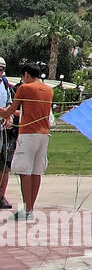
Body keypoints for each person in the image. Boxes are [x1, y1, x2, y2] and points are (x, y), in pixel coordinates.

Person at [1, 64, 54, 220]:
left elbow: (11, 111)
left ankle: (27, 209)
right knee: (37, 171)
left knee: (25, 170)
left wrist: (2, 111)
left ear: (26, 75)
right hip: (44, 134)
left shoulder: (25, 88)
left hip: (28, 134)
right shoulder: (49, 90)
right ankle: (30, 208)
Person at [0, 58, 17, 209]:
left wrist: (9, 116)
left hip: (3, 130)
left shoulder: (4, 84)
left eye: (1, 69)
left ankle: (1, 196)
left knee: (4, 164)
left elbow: (9, 103)